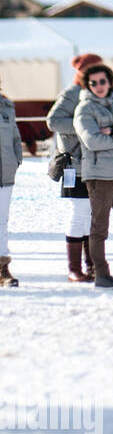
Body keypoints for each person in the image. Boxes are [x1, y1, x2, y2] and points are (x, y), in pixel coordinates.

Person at [73, 63, 113, 289]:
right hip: (99, 177)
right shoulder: (84, 109)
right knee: (99, 228)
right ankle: (101, 274)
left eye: (102, 81)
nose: (99, 86)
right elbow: (92, 141)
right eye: (94, 83)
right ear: (87, 86)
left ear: (110, 82)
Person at [46, 54, 101, 282]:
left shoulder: (96, 93)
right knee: (78, 214)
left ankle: (90, 266)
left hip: (92, 163)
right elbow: (53, 120)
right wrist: (82, 126)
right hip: (73, 164)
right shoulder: (71, 94)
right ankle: (74, 268)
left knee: (88, 215)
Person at [0, 76, 22, 287]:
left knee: (2, 222)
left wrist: (16, 159)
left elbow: (15, 135)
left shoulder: (7, 106)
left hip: (5, 172)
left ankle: (2, 268)